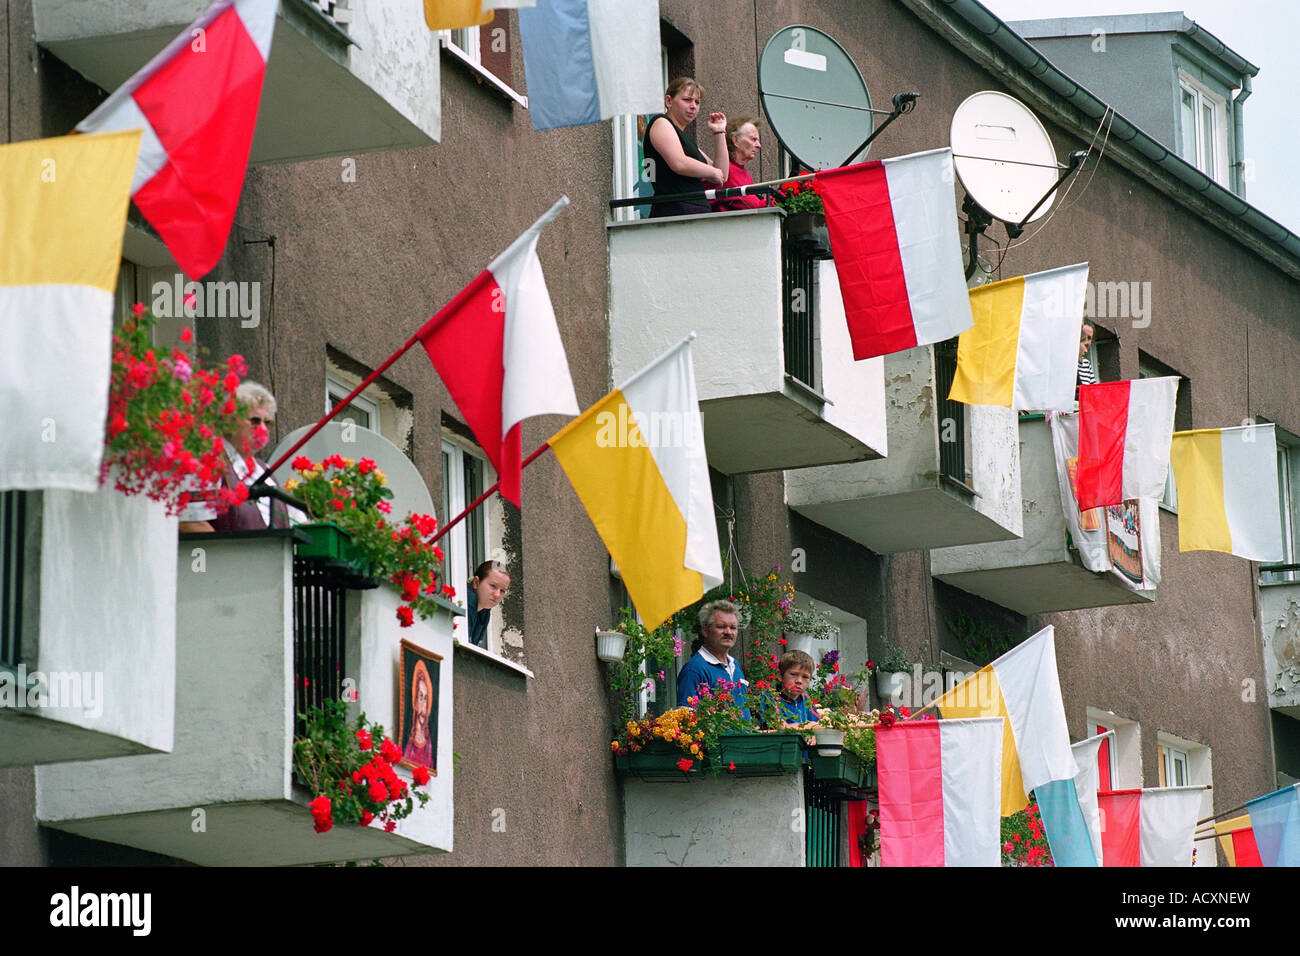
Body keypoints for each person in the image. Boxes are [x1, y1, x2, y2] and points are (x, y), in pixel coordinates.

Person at [178, 380, 306, 532]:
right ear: (228, 421)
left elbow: (300, 525)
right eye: (254, 420)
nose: (262, 428)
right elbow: (190, 522)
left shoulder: (266, 472)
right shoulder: (207, 461)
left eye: (267, 422)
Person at [643, 77, 729, 218]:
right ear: (669, 101)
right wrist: (712, 172)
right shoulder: (661, 122)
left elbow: (722, 174)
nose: (693, 106)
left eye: (697, 102)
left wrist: (719, 132)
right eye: (687, 100)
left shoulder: (685, 140)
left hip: (694, 210)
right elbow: (679, 163)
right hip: (675, 209)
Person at [676, 599, 749, 715]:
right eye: (721, 626)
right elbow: (687, 720)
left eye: (733, 627)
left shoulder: (735, 665)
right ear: (705, 631)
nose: (728, 632)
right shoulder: (694, 670)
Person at [709, 117, 770, 212]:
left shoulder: (746, 175)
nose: (758, 145)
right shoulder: (724, 170)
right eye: (753, 139)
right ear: (736, 140)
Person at [464, 560, 510, 648]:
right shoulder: (467, 601)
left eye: (502, 591)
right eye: (493, 586)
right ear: (476, 583)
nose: (497, 595)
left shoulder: (484, 612)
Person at [402, 659, 434, 768]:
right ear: (415, 702)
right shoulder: (409, 740)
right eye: (420, 697)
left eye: (426, 698)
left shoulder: (428, 743)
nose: (424, 705)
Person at [774, 649, 820, 724]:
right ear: (780, 676)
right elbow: (781, 727)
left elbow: (817, 721)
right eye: (793, 674)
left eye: (805, 677)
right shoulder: (771, 699)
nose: (799, 681)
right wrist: (811, 726)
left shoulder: (805, 697)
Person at [1077, 319, 1098, 387]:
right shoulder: (1067, 363)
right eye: (1083, 337)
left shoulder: (1087, 364)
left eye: (1089, 338)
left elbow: (1094, 391)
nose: (1086, 341)